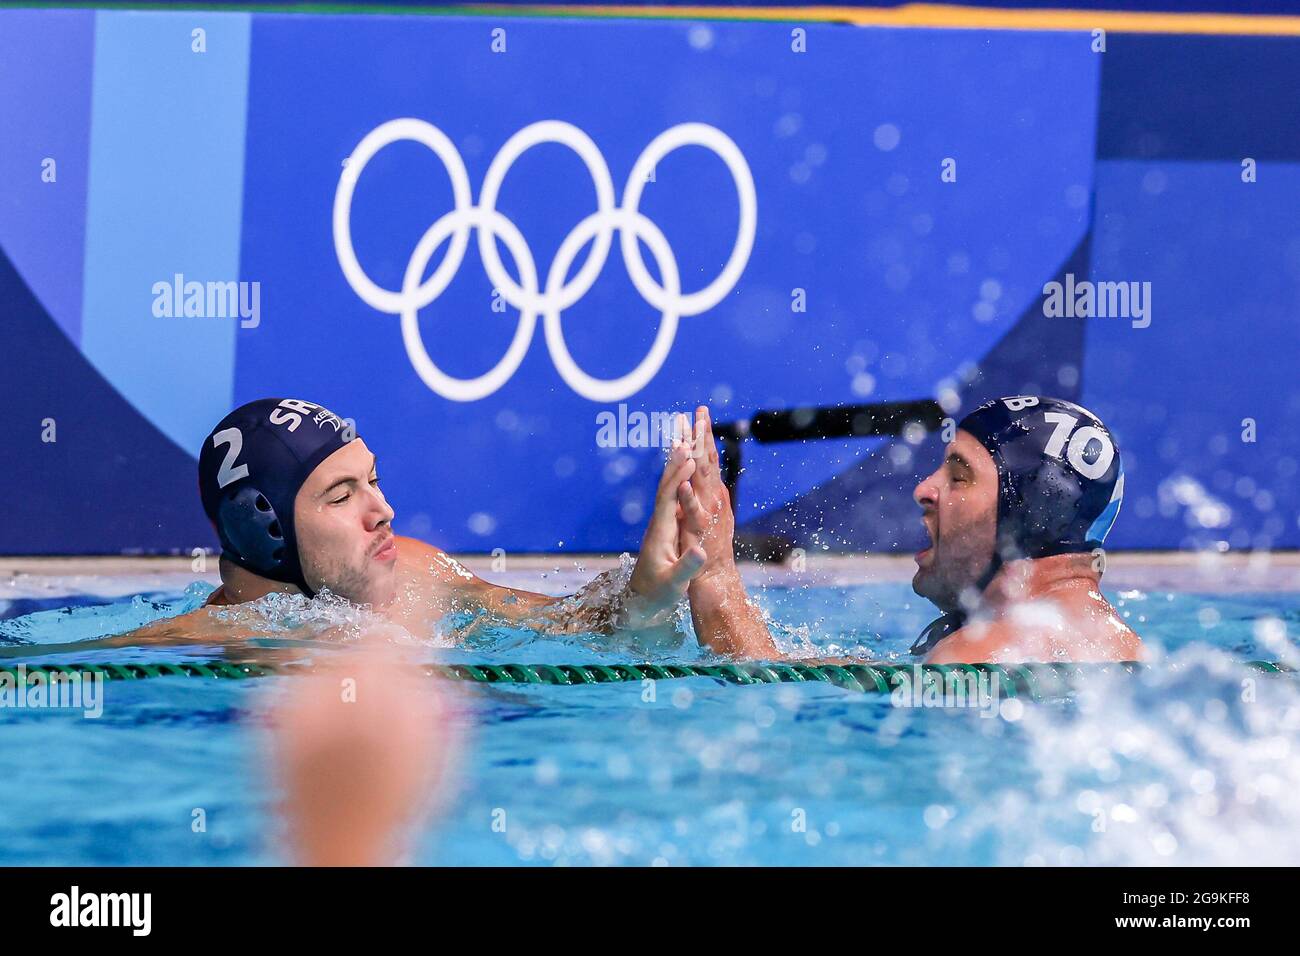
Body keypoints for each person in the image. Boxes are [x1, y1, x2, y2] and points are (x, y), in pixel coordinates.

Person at [101, 397, 718, 648]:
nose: (384, 512)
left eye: (374, 480)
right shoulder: (207, 638)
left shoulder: (413, 569)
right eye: (342, 496)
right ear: (262, 528)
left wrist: (643, 595)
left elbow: (564, 627)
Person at [683, 396, 1142, 664]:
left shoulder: (979, 656)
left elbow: (783, 731)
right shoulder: (1118, 648)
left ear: (1026, 519)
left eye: (958, 477)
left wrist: (712, 574)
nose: (924, 489)